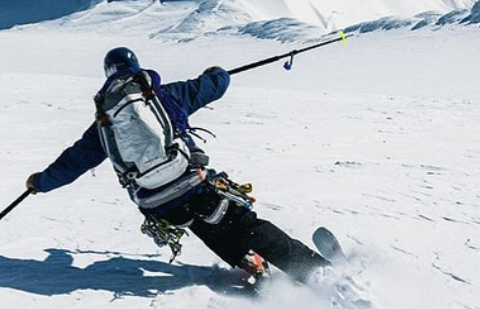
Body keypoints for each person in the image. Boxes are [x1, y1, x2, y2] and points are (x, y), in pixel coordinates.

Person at [26, 47, 329, 282]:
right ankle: (316, 272)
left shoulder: (105, 121)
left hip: (156, 202)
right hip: (191, 180)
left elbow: (73, 162)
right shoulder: (164, 95)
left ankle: (250, 263)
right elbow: (215, 85)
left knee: (201, 225)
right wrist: (216, 72)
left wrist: (40, 182)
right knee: (243, 224)